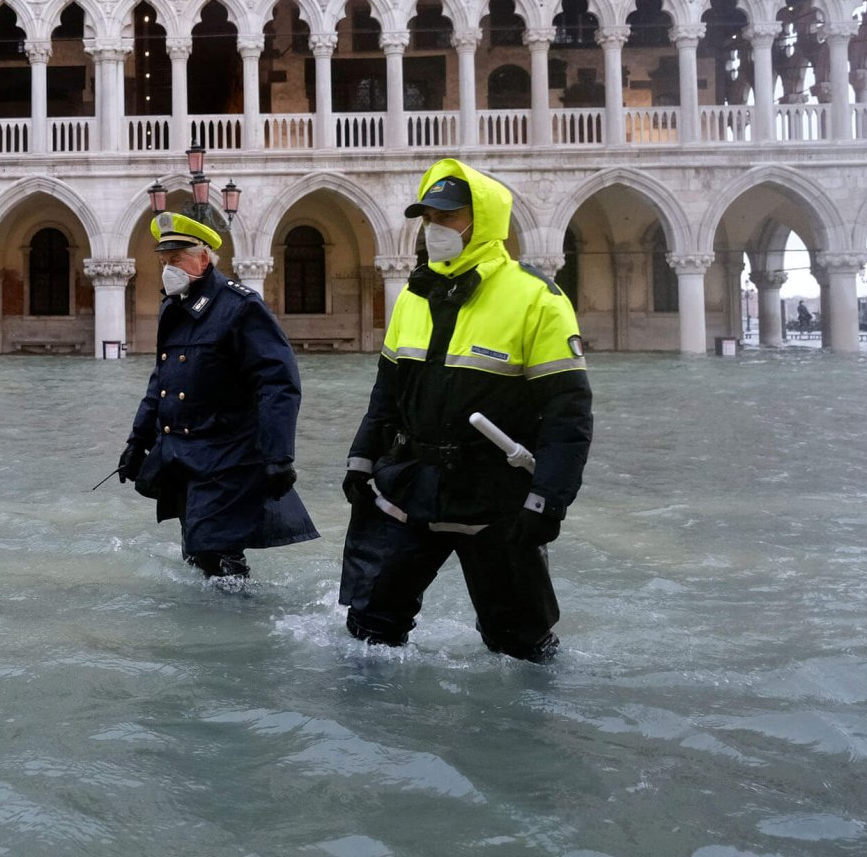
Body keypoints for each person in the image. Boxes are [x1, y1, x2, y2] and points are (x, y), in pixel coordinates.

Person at [338, 160, 592, 661]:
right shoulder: (414, 296)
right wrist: (361, 458)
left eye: (447, 218)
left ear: (484, 223)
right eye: (428, 217)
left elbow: (569, 413)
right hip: (410, 489)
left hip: (497, 500)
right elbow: (387, 393)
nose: (434, 228)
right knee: (369, 632)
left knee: (521, 646)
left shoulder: (537, 298)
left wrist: (550, 499)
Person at [116, 211, 319, 578]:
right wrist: (137, 443)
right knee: (197, 557)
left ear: (203, 258)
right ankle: (217, 625)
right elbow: (161, 381)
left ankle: (243, 627)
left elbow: (279, 383)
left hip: (227, 459)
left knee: (215, 555)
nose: (167, 269)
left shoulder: (241, 307)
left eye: (175, 260)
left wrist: (279, 457)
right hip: (181, 458)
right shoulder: (172, 308)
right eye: (164, 261)